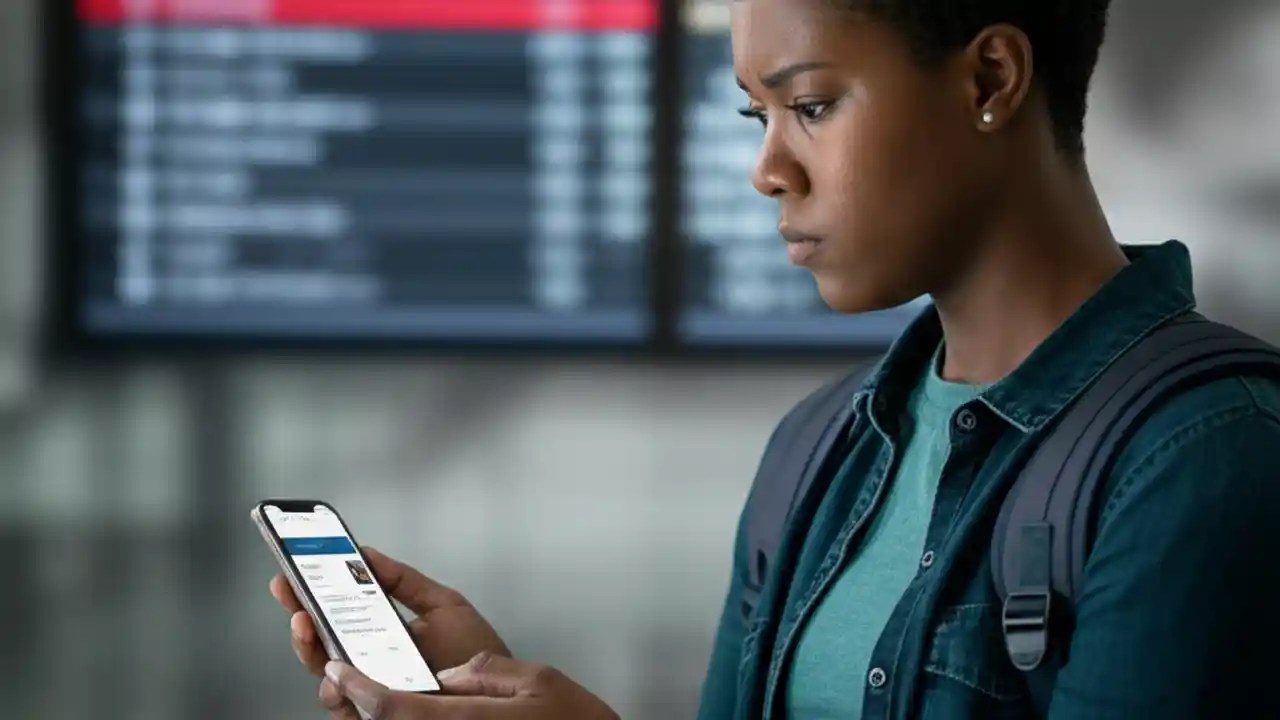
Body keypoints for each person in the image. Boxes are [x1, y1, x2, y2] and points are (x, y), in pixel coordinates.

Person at [270, 0, 1280, 718]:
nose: (766, 171)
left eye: (811, 106)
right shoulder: (816, 453)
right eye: (756, 115)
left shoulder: (1204, 456)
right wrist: (491, 686)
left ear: (989, 79)